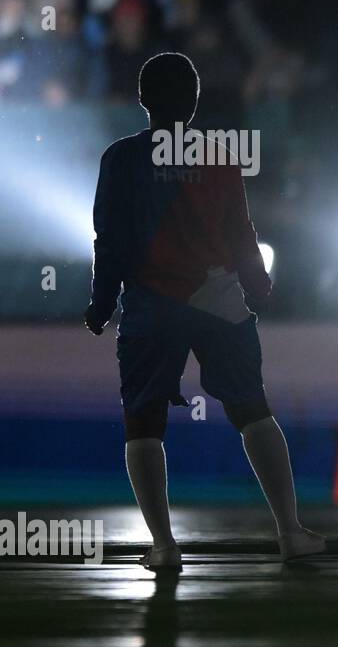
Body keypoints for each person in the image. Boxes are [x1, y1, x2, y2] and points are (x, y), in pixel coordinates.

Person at [84, 51, 324, 570]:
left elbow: (111, 239)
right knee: (252, 410)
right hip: (220, 304)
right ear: (194, 102)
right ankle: (290, 532)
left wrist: (101, 303)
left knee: (143, 424)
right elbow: (242, 234)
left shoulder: (120, 159)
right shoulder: (219, 154)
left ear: (143, 100)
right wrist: (260, 288)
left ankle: (165, 546)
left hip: (150, 307)